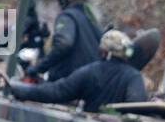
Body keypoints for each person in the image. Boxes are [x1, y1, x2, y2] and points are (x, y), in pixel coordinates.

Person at [10, 30, 147, 113]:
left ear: (103, 51)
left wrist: (20, 90)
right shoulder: (134, 77)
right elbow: (137, 108)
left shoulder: (92, 71)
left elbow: (56, 92)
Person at [25, 0, 103, 81]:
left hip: (70, 81)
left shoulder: (67, 16)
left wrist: (39, 68)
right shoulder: (92, 20)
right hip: (93, 80)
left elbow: (63, 44)